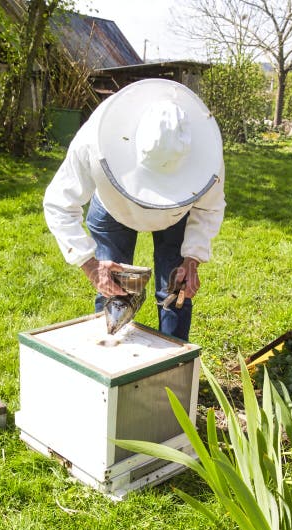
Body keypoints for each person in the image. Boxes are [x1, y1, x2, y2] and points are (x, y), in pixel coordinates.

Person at [43, 78, 226, 341]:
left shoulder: (210, 157)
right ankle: (109, 364)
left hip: (176, 216)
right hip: (112, 210)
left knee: (176, 292)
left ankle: (173, 372)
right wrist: (91, 265)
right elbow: (59, 202)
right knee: (112, 290)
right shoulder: (92, 140)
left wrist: (192, 258)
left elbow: (209, 208)